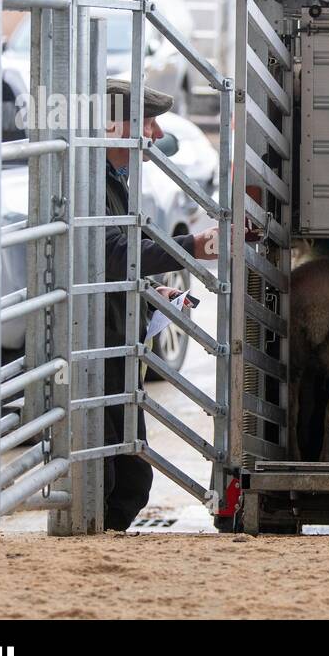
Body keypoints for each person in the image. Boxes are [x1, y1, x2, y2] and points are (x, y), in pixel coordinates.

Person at [101, 78, 218, 529]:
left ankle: (104, 533)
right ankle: (95, 539)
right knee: (115, 465)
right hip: (97, 341)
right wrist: (195, 245)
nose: (154, 134)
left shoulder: (115, 178)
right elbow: (112, 252)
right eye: (146, 121)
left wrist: (150, 292)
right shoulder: (91, 179)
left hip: (113, 334)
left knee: (127, 465)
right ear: (112, 126)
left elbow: (118, 253)